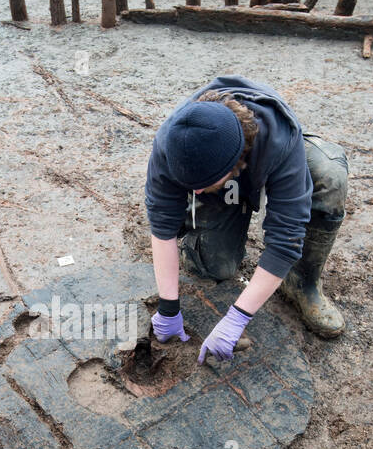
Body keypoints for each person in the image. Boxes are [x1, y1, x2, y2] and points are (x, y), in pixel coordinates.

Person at [143, 75, 350, 359]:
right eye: (192, 186)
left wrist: (236, 319)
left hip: (265, 155)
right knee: (217, 266)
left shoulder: (279, 141)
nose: (197, 190)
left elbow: (285, 240)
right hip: (221, 177)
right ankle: (216, 217)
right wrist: (168, 308)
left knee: (329, 175)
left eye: (203, 184)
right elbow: (162, 225)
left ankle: (302, 282)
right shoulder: (173, 142)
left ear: (237, 162)